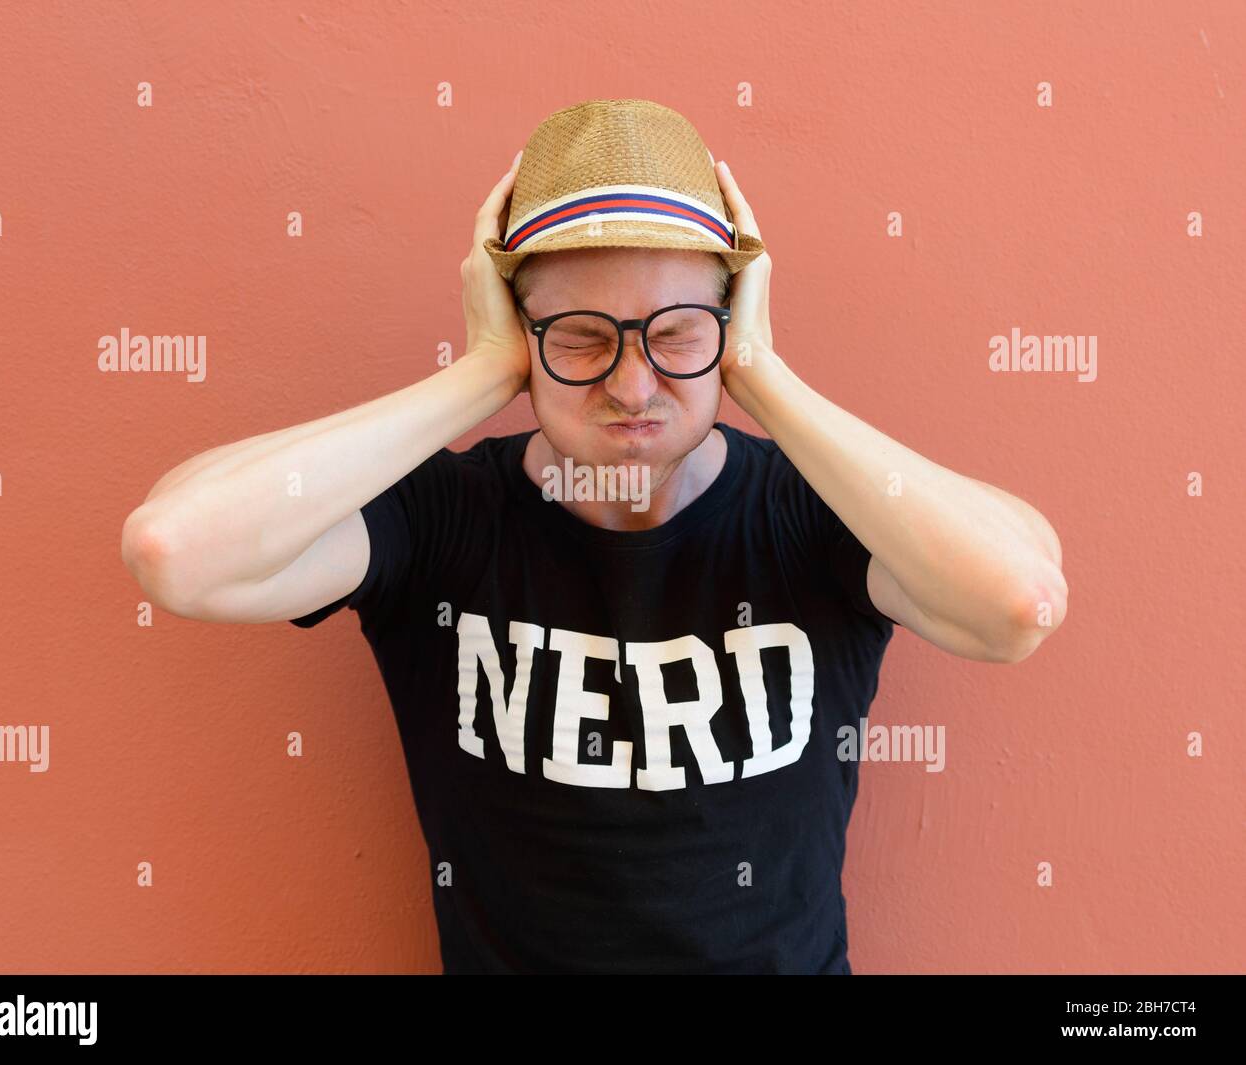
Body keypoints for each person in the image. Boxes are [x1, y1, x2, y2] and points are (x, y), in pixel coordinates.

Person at [120, 99, 1067, 974]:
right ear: (519, 329)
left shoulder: (814, 516)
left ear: (734, 322)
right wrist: (480, 373)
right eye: (578, 337)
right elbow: (175, 548)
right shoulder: (445, 524)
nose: (633, 384)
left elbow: (1015, 601)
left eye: (678, 331)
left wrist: (765, 374)